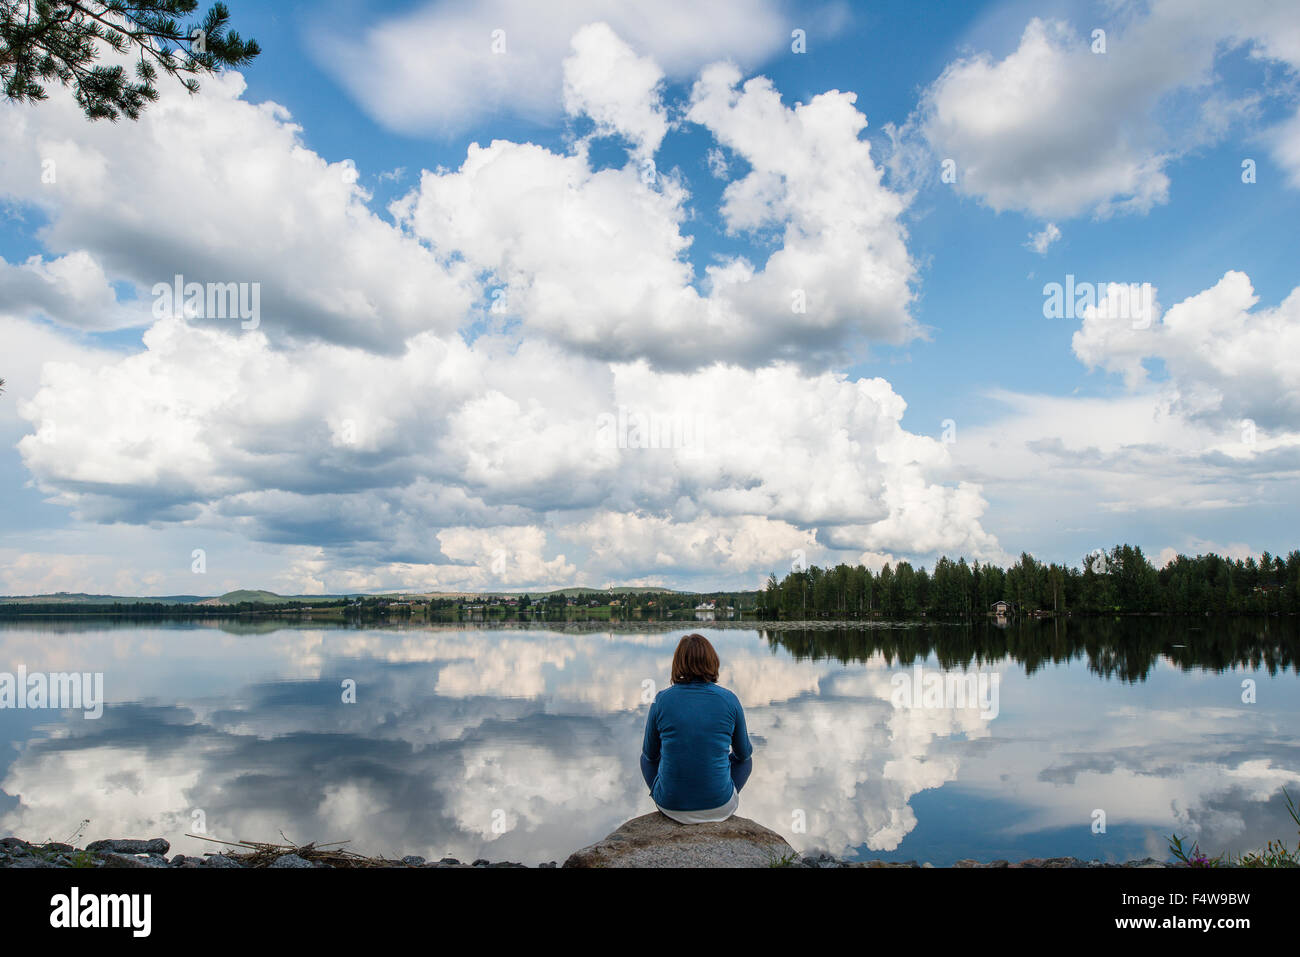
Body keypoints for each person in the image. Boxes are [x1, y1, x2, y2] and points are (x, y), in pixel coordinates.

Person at [640, 633, 753, 824]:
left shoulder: (660, 700)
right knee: (744, 760)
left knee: (646, 758)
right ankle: (717, 797)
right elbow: (743, 755)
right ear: (712, 661)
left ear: (678, 663)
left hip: (670, 807)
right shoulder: (729, 699)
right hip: (721, 807)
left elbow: (650, 756)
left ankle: (667, 795)